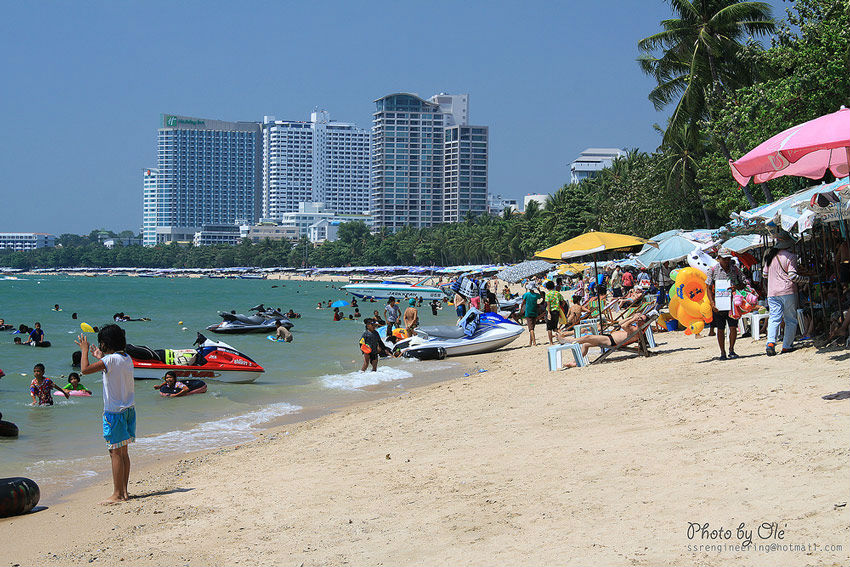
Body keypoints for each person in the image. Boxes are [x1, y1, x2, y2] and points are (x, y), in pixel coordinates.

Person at [76, 324, 135, 505]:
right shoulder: (126, 358)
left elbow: (84, 370)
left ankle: (117, 494)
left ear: (105, 343)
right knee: (123, 452)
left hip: (114, 413)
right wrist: (101, 357)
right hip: (128, 410)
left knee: (114, 453)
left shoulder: (109, 361)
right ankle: (124, 491)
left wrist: (84, 351)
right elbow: (112, 365)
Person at [763, 235, 808, 356]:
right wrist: (806, 279)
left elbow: (764, 274)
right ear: (789, 245)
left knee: (774, 318)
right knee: (790, 320)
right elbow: (793, 276)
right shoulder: (791, 256)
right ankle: (787, 346)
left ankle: (770, 343)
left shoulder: (769, 257)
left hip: (772, 292)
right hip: (787, 291)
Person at [556, 312, 650, 369]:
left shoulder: (636, 330)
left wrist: (633, 319)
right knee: (585, 345)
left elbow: (623, 326)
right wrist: (631, 317)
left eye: (641, 318)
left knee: (587, 337)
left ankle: (566, 340)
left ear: (643, 322)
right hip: (609, 338)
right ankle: (575, 362)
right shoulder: (636, 327)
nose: (639, 319)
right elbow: (620, 322)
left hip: (611, 341)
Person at [706, 248, 749, 360]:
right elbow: (709, 288)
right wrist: (712, 303)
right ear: (718, 258)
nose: (726, 261)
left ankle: (731, 349)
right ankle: (722, 352)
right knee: (720, 329)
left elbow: (744, 283)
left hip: (733, 304)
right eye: (724, 259)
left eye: (728, 259)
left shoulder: (735, 269)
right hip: (719, 305)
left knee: (733, 327)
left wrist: (736, 286)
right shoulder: (713, 270)